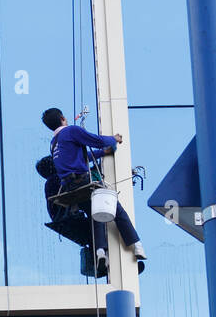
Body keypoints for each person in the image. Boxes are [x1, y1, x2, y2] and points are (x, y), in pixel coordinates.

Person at [42, 107, 146, 275]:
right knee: (115, 209)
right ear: (62, 117)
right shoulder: (71, 131)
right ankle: (136, 244)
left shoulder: (54, 143)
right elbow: (96, 140)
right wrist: (114, 139)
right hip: (83, 181)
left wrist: (102, 153)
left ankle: (100, 252)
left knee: (97, 212)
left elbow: (79, 157)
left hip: (70, 189)